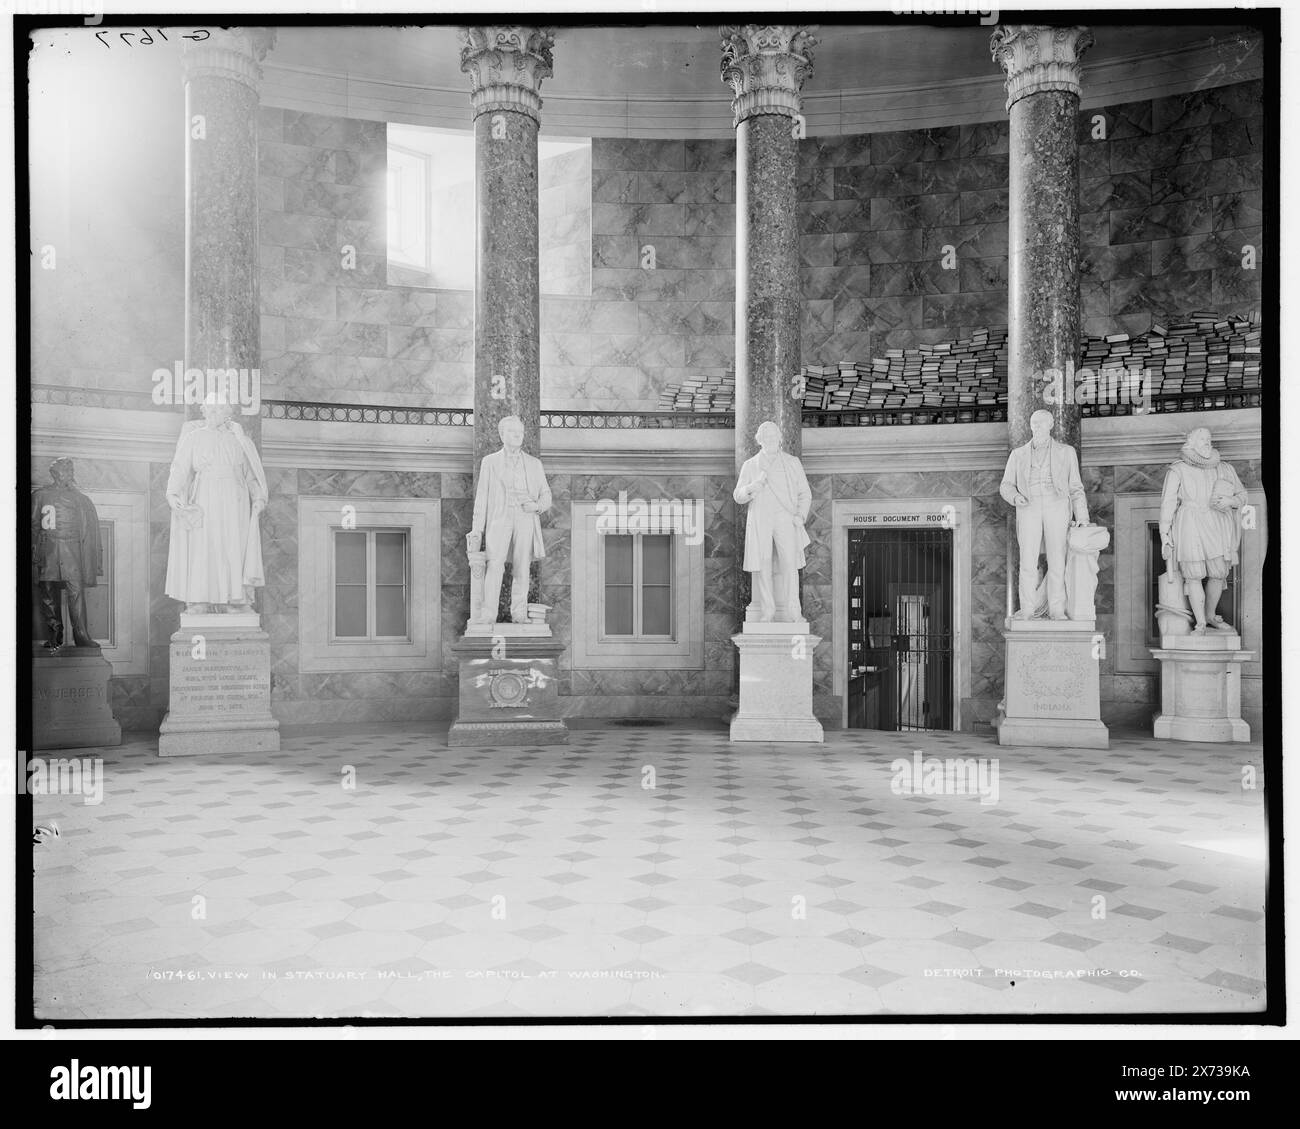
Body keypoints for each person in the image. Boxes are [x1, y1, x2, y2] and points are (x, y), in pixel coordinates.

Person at [164, 396, 268, 614]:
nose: (212, 414)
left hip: (235, 499)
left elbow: (251, 476)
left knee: (233, 545)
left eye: (218, 410)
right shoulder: (193, 438)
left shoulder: (240, 440)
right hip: (205, 497)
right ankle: (199, 599)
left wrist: (258, 498)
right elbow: (180, 469)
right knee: (204, 546)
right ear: (203, 411)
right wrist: (173, 494)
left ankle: (235, 600)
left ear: (227, 412)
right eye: (209, 410)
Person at [999, 409, 1090, 620]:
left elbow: (1076, 487)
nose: (1036, 427)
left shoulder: (1066, 452)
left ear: (1050, 425)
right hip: (1028, 507)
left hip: (1056, 505)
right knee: (1027, 561)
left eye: (1040, 423)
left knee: (1058, 560)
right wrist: (1014, 497)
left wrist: (1082, 517)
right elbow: (1005, 485)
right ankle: (1028, 609)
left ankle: (1057, 608)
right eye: (1033, 423)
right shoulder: (1018, 454)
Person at [1158, 426, 1247, 633]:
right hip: (1189, 523)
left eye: (1210, 440)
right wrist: (1164, 534)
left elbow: (1243, 495)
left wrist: (1230, 500)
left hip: (1217, 523)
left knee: (1218, 571)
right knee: (1194, 574)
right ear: (1191, 443)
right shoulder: (1178, 469)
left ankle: (1210, 616)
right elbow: (1168, 503)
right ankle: (1200, 622)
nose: (1208, 443)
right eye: (1203, 440)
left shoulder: (1224, 468)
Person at [469, 415, 552, 625]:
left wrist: (536, 506)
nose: (518, 436)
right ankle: (488, 615)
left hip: (525, 518)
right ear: (502, 434)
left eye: (521, 432)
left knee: (522, 567)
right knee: (494, 565)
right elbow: (482, 499)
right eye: (513, 432)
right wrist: (477, 530)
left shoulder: (534, 464)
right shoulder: (490, 462)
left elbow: (546, 495)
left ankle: (519, 614)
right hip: (499, 518)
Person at [733, 421, 812, 622]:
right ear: (760, 440)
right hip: (761, 517)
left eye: (773, 436)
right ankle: (768, 610)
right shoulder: (750, 465)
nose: (770, 439)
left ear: (779, 438)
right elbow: (738, 495)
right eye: (765, 437)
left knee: (789, 563)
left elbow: (805, 493)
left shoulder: (792, 462)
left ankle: (794, 610)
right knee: (763, 563)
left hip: (785, 517)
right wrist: (753, 487)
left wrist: (800, 515)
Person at [31, 458, 102, 649]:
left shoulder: (80, 499)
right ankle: (55, 635)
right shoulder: (40, 495)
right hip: (49, 551)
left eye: (71, 471)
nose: (69, 474)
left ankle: (81, 636)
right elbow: (33, 525)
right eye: (65, 471)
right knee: (48, 593)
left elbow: (88, 530)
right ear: (55, 473)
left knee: (76, 593)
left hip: (72, 552)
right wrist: (35, 552)